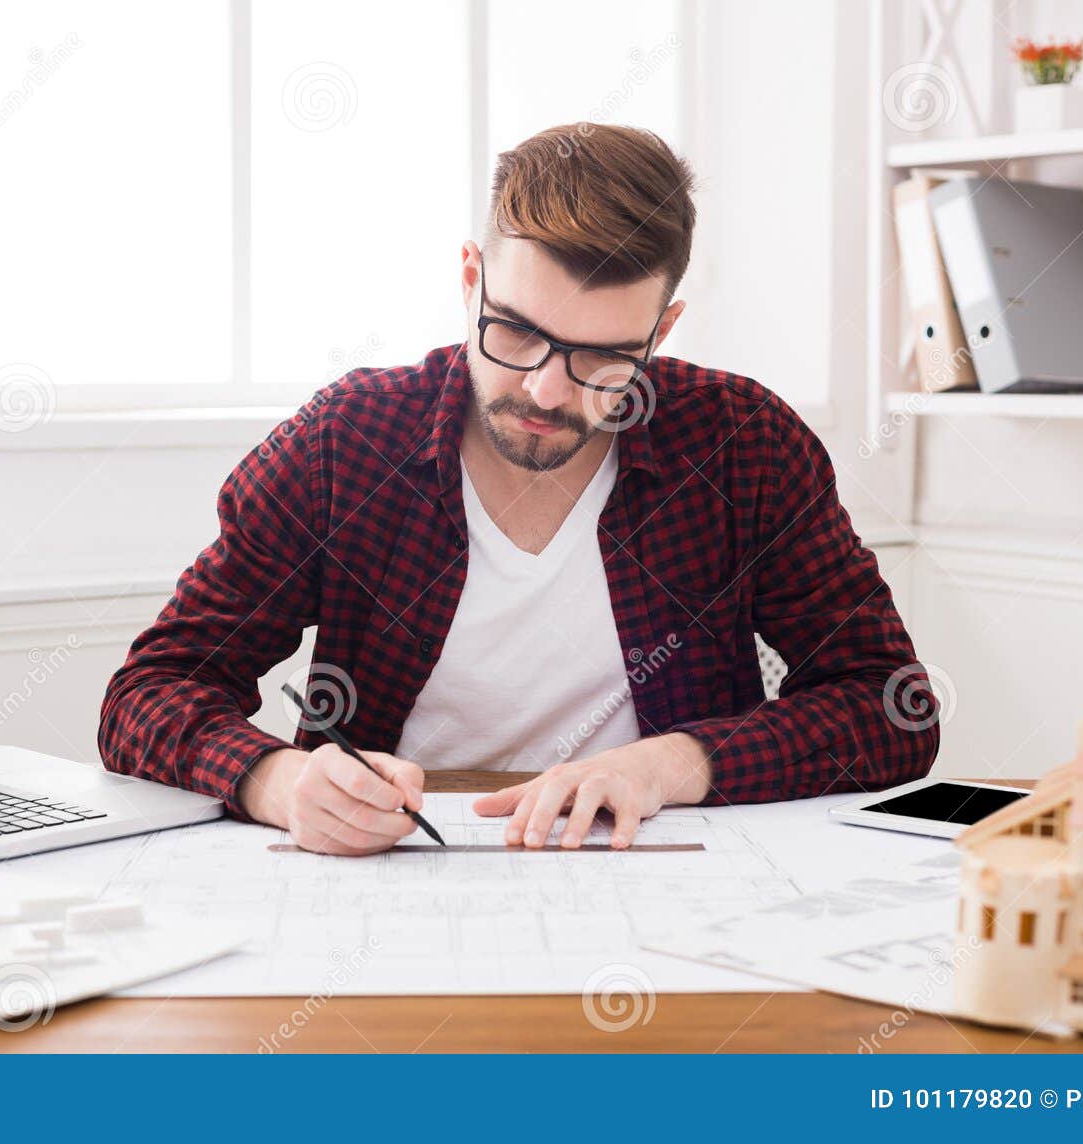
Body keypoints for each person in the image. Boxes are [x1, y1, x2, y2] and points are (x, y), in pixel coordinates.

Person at [99, 123, 938, 855]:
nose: (544, 391)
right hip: (390, 874)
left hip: (663, 868)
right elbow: (149, 692)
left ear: (663, 330)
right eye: (516, 334)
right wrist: (276, 783)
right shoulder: (344, 442)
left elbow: (891, 706)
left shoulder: (743, 443)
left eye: (602, 358)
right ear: (471, 279)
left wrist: (673, 765)